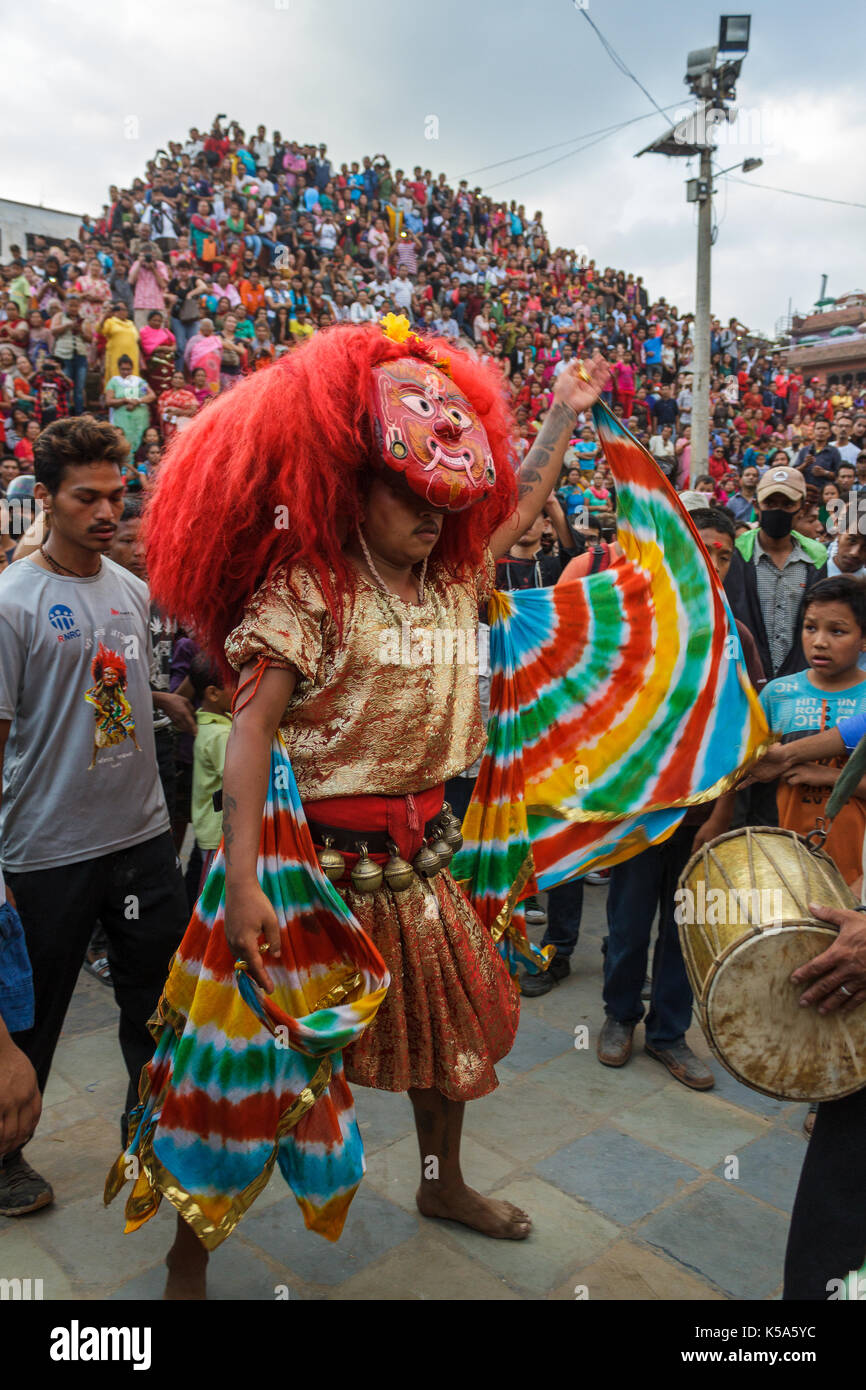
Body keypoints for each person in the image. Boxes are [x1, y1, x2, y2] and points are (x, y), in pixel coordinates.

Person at [107, 319, 608, 1298]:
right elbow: (247, 736)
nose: (433, 513)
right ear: (356, 488)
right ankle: (186, 1258)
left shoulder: (454, 578)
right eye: (411, 494)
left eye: (443, 498)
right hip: (306, 880)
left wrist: (555, 412)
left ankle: (440, 1184)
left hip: (421, 869)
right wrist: (242, 882)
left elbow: (525, 498)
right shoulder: (311, 587)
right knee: (240, 1080)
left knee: (453, 1050)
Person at [0, 416, 190, 1216]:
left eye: (118, 494)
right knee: (31, 1020)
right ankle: (6, 1155)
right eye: (88, 497)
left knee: (155, 1002)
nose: (109, 511)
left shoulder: (132, 590)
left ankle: (145, 1128)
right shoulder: (11, 604)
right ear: (44, 497)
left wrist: (162, 702)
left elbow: (106, 692)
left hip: (140, 837)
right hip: (46, 849)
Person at [759, 577, 866, 888]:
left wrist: (829, 778)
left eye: (837, 631)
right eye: (810, 627)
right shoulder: (778, 693)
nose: (820, 641)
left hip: (857, 861)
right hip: (785, 857)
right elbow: (751, 773)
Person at [724, 465, 828, 682]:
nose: (777, 510)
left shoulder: (815, 560)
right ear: (757, 505)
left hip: (797, 684)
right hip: (743, 680)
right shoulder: (735, 555)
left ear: (801, 508)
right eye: (770, 503)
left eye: (787, 504)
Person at [189, 653, 234, 887]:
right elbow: (236, 780)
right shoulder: (221, 736)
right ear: (213, 693)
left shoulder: (209, 723)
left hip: (210, 830)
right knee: (211, 891)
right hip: (216, 833)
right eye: (233, 683)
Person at [105, 354, 155, 458]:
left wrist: (137, 401)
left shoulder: (139, 381)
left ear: (132, 369)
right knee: (123, 444)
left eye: (128, 369)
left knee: (140, 444)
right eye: (123, 369)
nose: (126, 372)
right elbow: (108, 401)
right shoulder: (114, 381)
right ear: (119, 369)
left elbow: (152, 396)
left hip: (139, 421)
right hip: (121, 421)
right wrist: (124, 400)